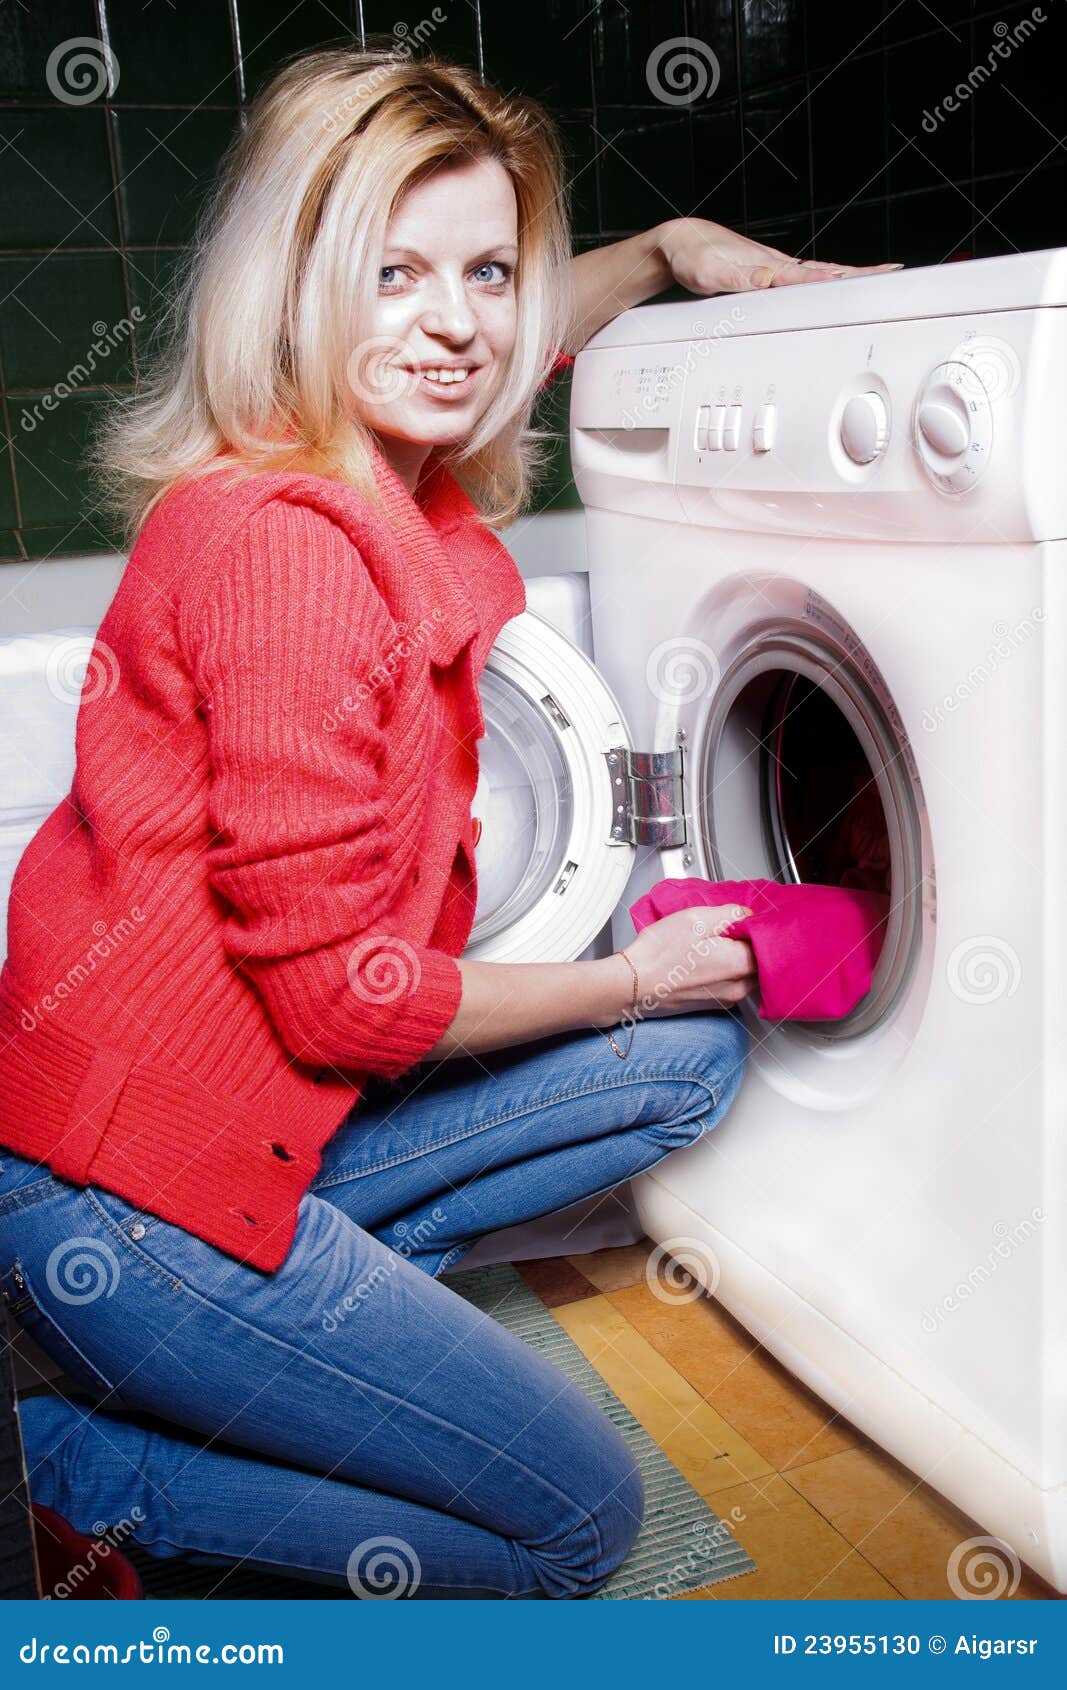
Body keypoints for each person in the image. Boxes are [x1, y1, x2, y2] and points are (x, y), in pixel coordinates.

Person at [0, 47, 900, 1598]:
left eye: (489, 270)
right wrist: (633, 972)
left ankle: (302, 1341)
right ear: (295, 290)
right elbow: (343, 1001)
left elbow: (493, 326)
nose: (460, 318)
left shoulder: (382, 471)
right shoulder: (296, 554)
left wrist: (674, 249)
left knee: (689, 1059)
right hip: (130, 1197)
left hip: (236, 1140)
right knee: (572, 1526)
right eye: (393, 271)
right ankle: (75, 1456)